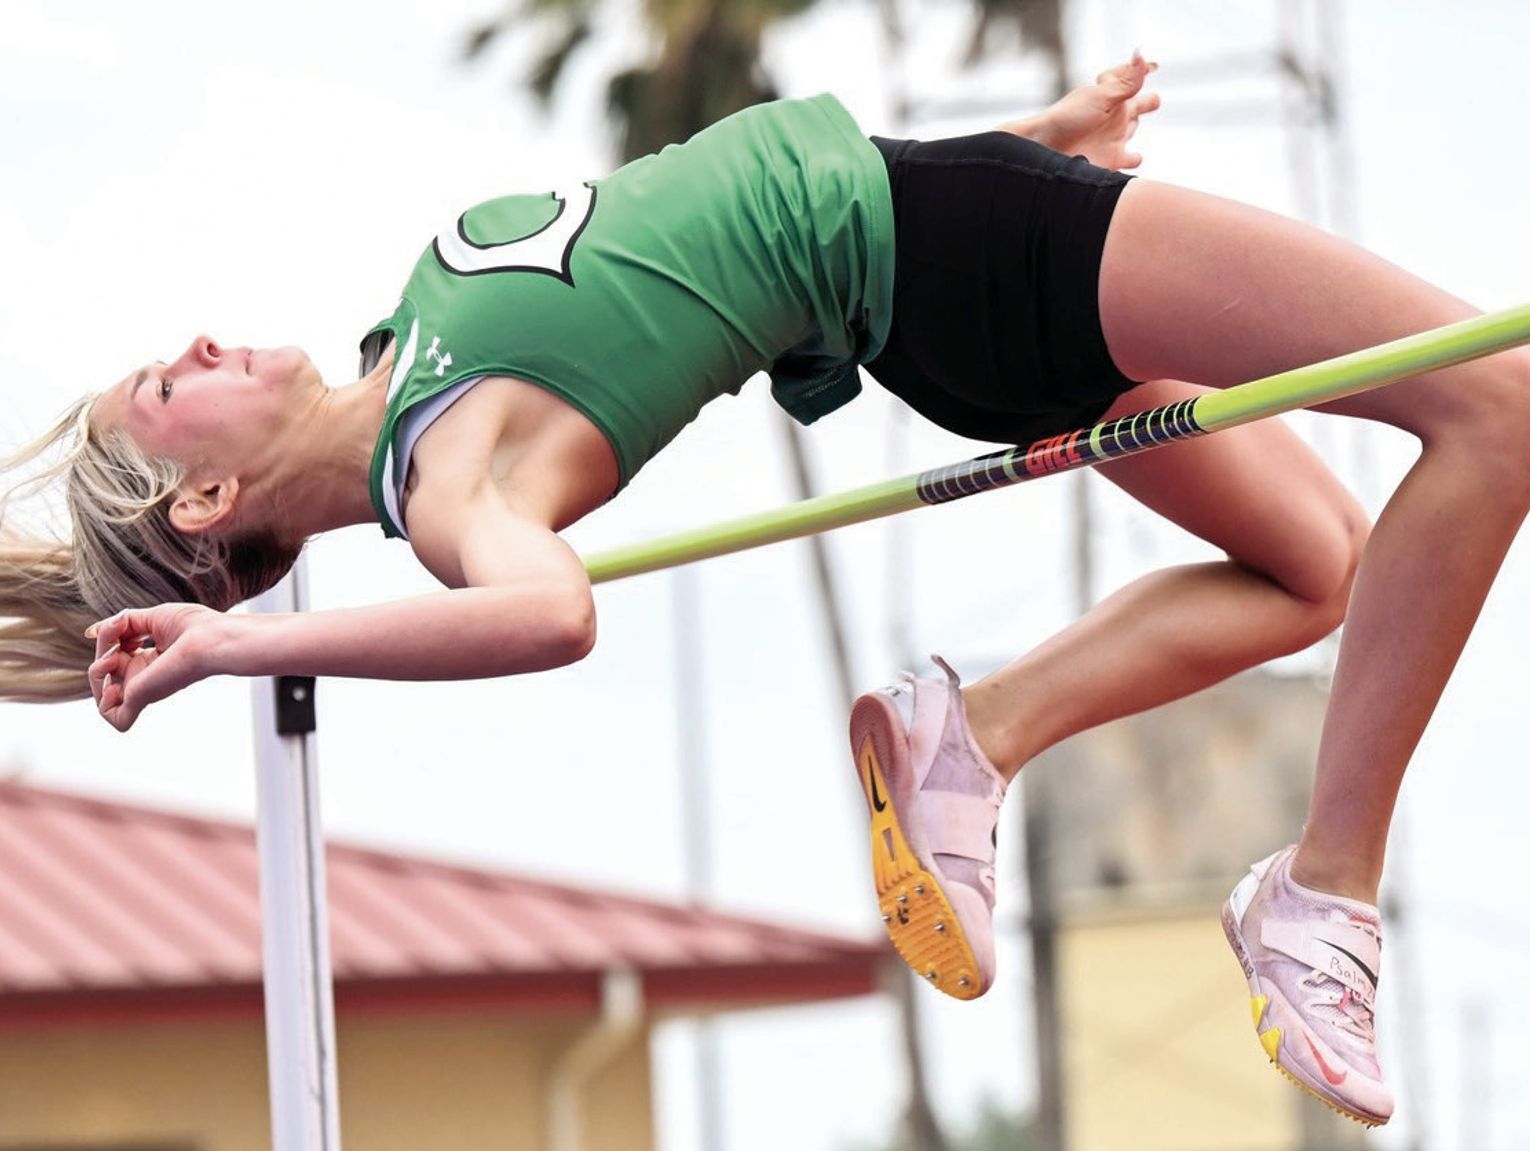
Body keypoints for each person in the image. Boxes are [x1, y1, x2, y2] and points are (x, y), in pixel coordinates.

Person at [2, 52, 1526, 1127]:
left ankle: (974, 735)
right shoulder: (450, 473)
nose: (197, 342)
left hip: (937, 232)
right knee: (1495, 403)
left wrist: (1028, 138)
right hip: (955, 257)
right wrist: (233, 652)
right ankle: (1325, 893)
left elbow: (716, 231)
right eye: (166, 382)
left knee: (1313, 567)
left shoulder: (407, 350)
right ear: (205, 497)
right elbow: (546, 612)